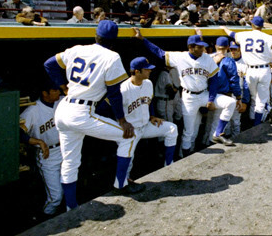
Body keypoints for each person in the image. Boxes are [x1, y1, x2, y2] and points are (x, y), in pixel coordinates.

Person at [43, 20, 143, 211]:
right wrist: (122, 120)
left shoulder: (77, 48)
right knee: (130, 136)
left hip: (63, 110)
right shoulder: (112, 56)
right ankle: (120, 185)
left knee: (70, 161)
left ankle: (71, 207)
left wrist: (62, 85)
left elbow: (49, 64)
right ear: (113, 41)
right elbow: (114, 93)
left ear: (96, 35)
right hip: (82, 112)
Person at [133, 27, 218, 157]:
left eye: (203, 47)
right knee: (188, 131)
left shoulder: (206, 58)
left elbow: (213, 80)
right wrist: (143, 39)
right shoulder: (180, 57)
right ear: (191, 47)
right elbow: (159, 52)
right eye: (199, 47)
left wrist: (211, 99)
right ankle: (183, 156)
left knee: (196, 128)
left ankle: (193, 150)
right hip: (188, 96)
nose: (202, 49)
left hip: (203, 94)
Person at [117, 57, 178, 185]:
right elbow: (111, 109)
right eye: (147, 69)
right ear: (137, 71)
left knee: (172, 128)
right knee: (128, 157)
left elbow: (148, 102)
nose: (150, 71)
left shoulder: (148, 83)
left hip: (145, 126)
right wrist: (120, 124)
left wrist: (152, 116)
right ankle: (125, 182)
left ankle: (169, 166)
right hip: (131, 130)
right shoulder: (123, 89)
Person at [221, 16, 272, 126]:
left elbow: (231, 34)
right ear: (262, 26)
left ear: (252, 25)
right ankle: (261, 118)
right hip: (264, 70)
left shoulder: (244, 35)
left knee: (255, 98)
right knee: (260, 100)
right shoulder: (268, 37)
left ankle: (262, 117)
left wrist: (224, 28)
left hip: (250, 70)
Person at [20, 82, 64, 216]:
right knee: (56, 197)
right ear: (45, 93)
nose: (59, 92)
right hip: (47, 155)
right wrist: (37, 141)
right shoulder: (32, 110)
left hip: (65, 149)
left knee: (69, 188)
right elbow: (17, 131)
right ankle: (44, 220)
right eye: (54, 90)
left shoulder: (61, 101)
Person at [203, 36, 244, 146]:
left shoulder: (208, 58)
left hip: (207, 95)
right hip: (222, 96)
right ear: (227, 47)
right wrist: (238, 97)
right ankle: (210, 146)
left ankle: (204, 143)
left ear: (216, 46)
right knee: (216, 125)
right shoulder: (228, 60)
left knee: (209, 123)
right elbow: (234, 81)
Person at [225, 40, 250, 137]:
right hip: (227, 94)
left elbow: (246, 84)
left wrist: (245, 101)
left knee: (235, 121)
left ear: (240, 50)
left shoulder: (245, 62)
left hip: (238, 94)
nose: (233, 52)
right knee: (226, 121)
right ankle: (226, 138)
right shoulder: (226, 59)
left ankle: (237, 139)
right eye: (231, 49)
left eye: (235, 49)